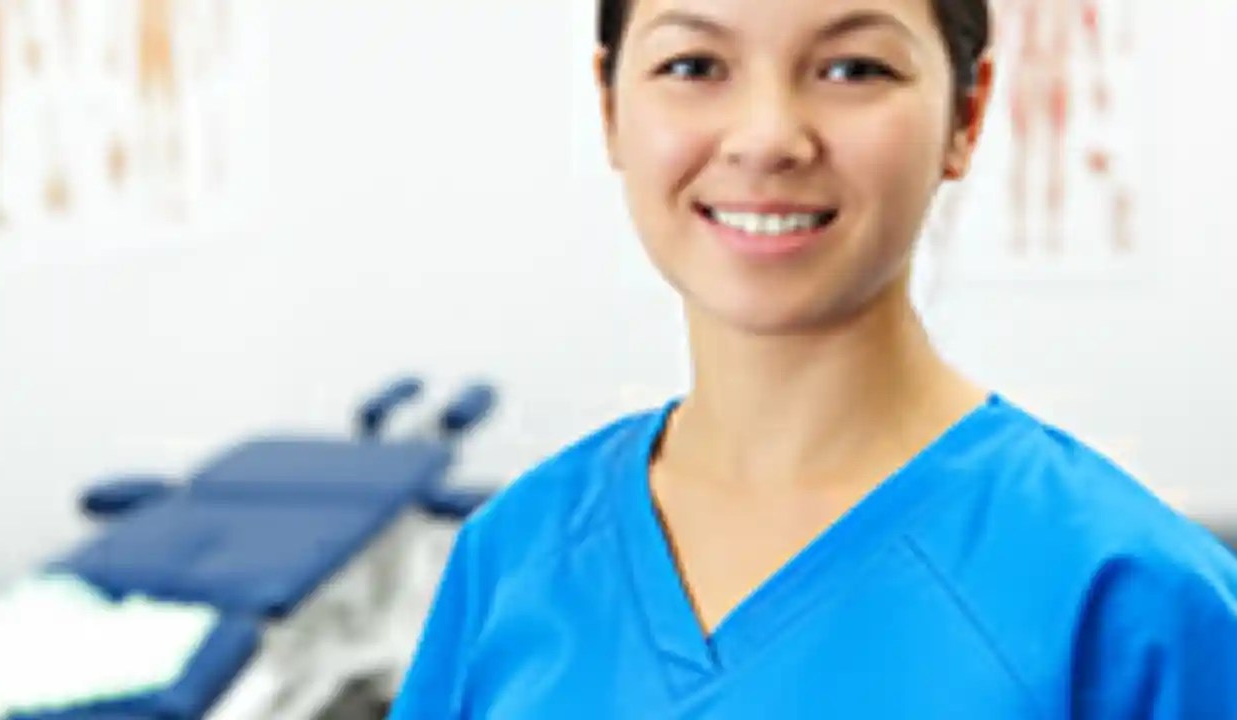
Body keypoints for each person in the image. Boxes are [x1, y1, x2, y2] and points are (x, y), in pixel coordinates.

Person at [389, 0, 1237, 716]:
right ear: (611, 109)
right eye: (693, 66)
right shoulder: (512, 556)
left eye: (853, 69)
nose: (766, 139)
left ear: (966, 116)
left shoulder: (1128, 597)